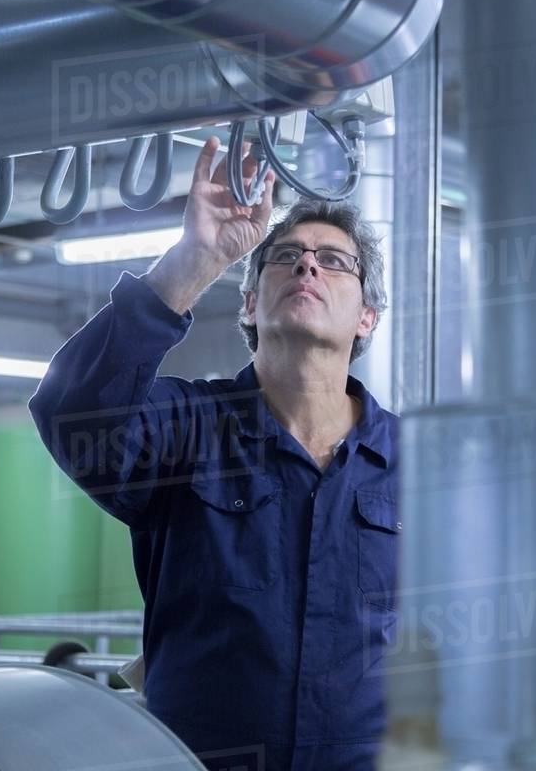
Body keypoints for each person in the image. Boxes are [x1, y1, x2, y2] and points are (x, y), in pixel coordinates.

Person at [28, 136, 400, 771]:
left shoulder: (415, 463)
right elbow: (70, 411)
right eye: (286, 256)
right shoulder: (187, 429)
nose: (307, 268)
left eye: (334, 261)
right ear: (250, 304)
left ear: (367, 316)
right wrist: (195, 259)